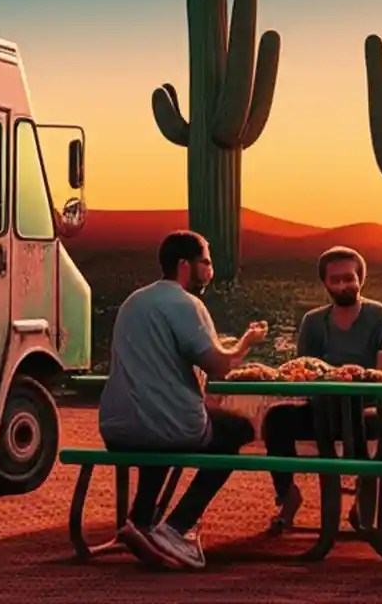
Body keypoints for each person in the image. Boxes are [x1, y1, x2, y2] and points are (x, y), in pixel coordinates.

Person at [98, 230, 266, 570]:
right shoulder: (187, 303)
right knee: (236, 433)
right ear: (184, 265)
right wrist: (247, 342)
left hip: (116, 427)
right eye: (206, 262)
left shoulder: (134, 301)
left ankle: (141, 521)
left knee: (160, 428)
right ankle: (177, 527)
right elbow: (219, 364)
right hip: (167, 427)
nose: (211, 270)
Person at [261, 246, 382, 533]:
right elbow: (304, 369)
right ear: (324, 282)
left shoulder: (379, 316)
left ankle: (363, 498)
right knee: (276, 419)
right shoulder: (313, 321)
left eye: (348, 278)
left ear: (361, 278)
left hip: (366, 410)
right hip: (322, 408)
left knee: (371, 426)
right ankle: (288, 496)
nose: (342, 285)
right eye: (334, 279)